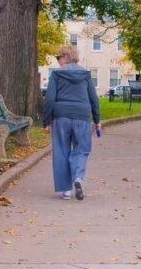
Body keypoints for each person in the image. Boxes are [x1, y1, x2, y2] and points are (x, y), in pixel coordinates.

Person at [42, 45, 100, 200]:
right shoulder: (85, 74)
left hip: (61, 117)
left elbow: (49, 99)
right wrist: (97, 120)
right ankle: (78, 177)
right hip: (82, 116)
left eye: (58, 58)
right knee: (82, 148)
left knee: (61, 150)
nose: (58, 61)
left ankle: (66, 190)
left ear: (66, 57)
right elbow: (94, 99)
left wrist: (46, 122)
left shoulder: (57, 74)